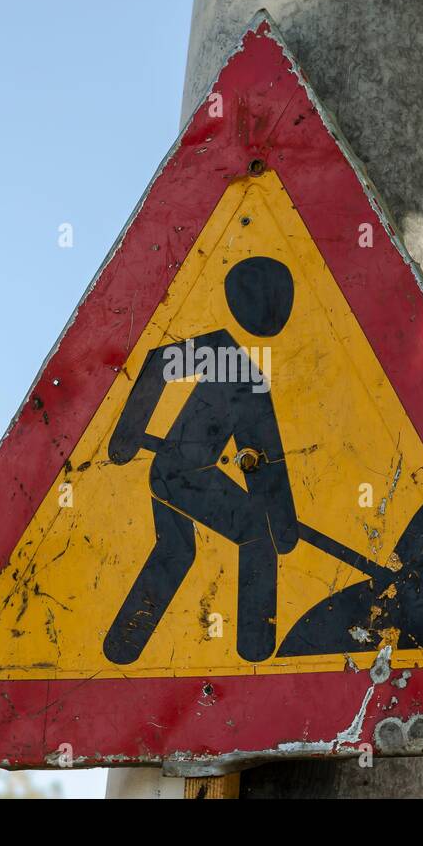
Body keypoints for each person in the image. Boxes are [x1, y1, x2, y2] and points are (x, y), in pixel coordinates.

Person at [103, 257, 298, 665]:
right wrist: (124, 437)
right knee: (255, 537)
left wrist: (286, 527)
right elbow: (157, 363)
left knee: (176, 550)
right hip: (183, 474)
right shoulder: (220, 350)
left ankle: (123, 644)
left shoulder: (252, 379)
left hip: (177, 474)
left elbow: (262, 462)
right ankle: (255, 649)